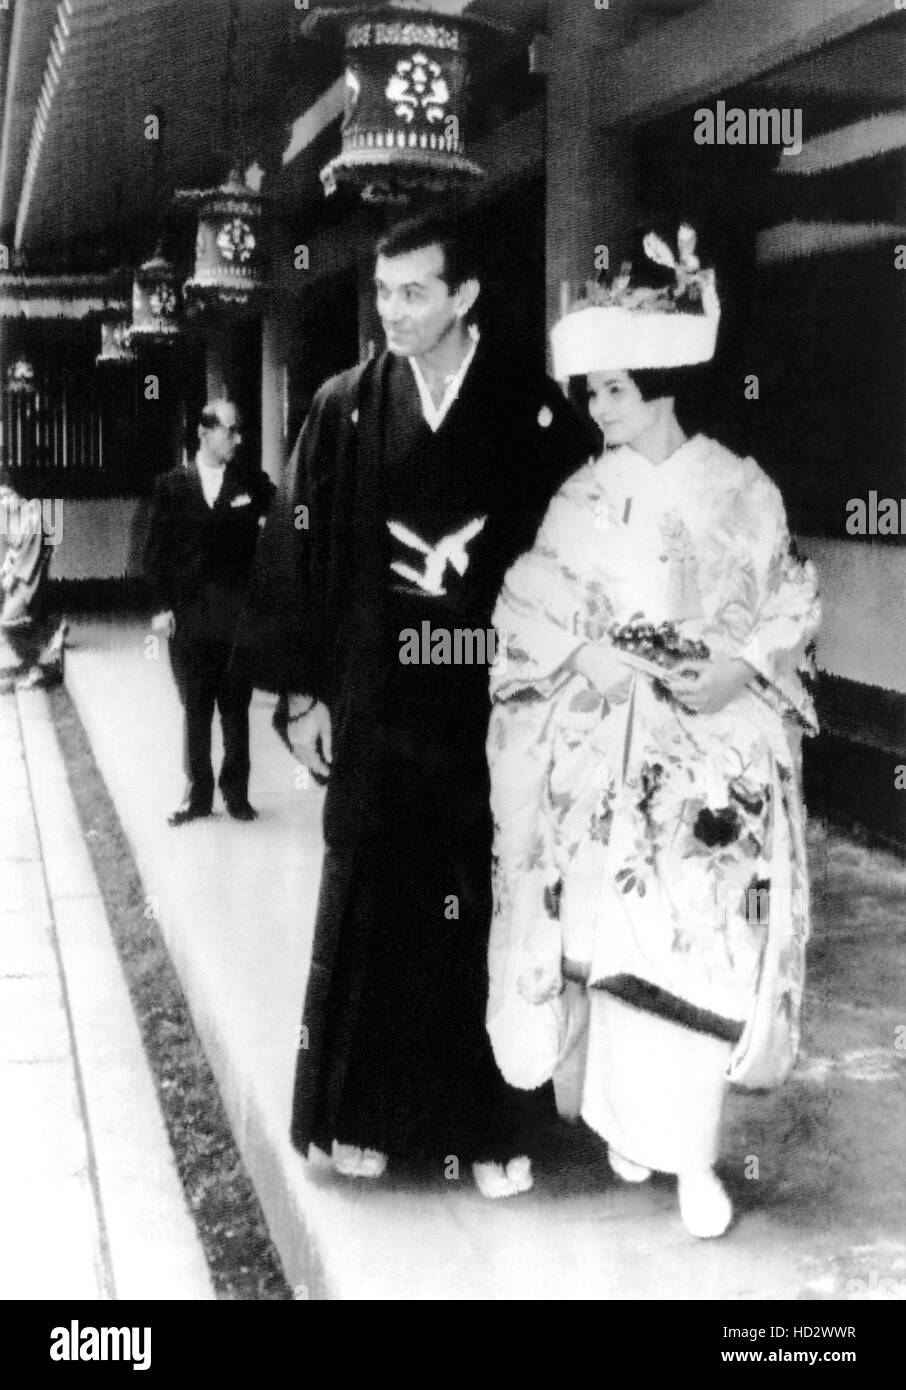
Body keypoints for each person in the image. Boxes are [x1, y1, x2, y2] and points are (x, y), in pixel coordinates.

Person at [244, 209, 592, 1195]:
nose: (391, 311)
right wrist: (301, 692)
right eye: (383, 293)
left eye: (413, 292)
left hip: (494, 704)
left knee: (488, 906)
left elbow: (575, 558)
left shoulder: (532, 411)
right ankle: (365, 1118)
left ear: (464, 296)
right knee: (376, 905)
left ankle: (492, 1129)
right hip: (380, 701)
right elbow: (299, 550)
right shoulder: (346, 407)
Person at [485, 227, 821, 1237]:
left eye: (616, 390)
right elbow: (525, 605)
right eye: (592, 393)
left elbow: (789, 596)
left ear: (667, 384)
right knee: (615, 947)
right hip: (609, 752)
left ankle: (693, 1160)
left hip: (710, 758)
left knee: (699, 946)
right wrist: (579, 658)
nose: (598, 408)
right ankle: (627, 1127)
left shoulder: (740, 488)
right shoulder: (580, 495)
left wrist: (745, 666)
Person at [144, 399, 274, 826]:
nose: (237, 439)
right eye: (230, 430)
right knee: (195, 707)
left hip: (236, 616)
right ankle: (197, 795)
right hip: (188, 615)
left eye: (239, 432)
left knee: (235, 707)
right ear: (204, 432)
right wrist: (161, 608)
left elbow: (287, 519)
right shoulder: (171, 486)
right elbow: (155, 555)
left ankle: (236, 794)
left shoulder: (252, 483)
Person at [0, 470, 67, 694]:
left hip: (32, 569)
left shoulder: (31, 516)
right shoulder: (7, 514)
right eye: (1, 497)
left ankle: (34, 668)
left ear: (19, 495)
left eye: (9, 495)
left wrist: (13, 576)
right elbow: (11, 550)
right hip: (22, 569)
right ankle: (54, 628)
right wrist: (5, 571)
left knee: (11, 621)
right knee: (22, 618)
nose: (5, 501)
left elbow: (29, 553)